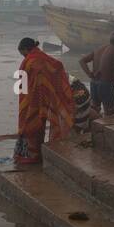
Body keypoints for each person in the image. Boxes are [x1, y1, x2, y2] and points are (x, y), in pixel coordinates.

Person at [13, 37, 76, 165]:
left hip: (32, 101)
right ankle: (40, 154)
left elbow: (22, 83)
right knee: (39, 127)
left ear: (25, 49)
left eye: (22, 53)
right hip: (47, 99)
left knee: (30, 127)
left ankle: (32, 157)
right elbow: (58, 67)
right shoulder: (44, 58)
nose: (23, 56)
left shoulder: (30, 61)